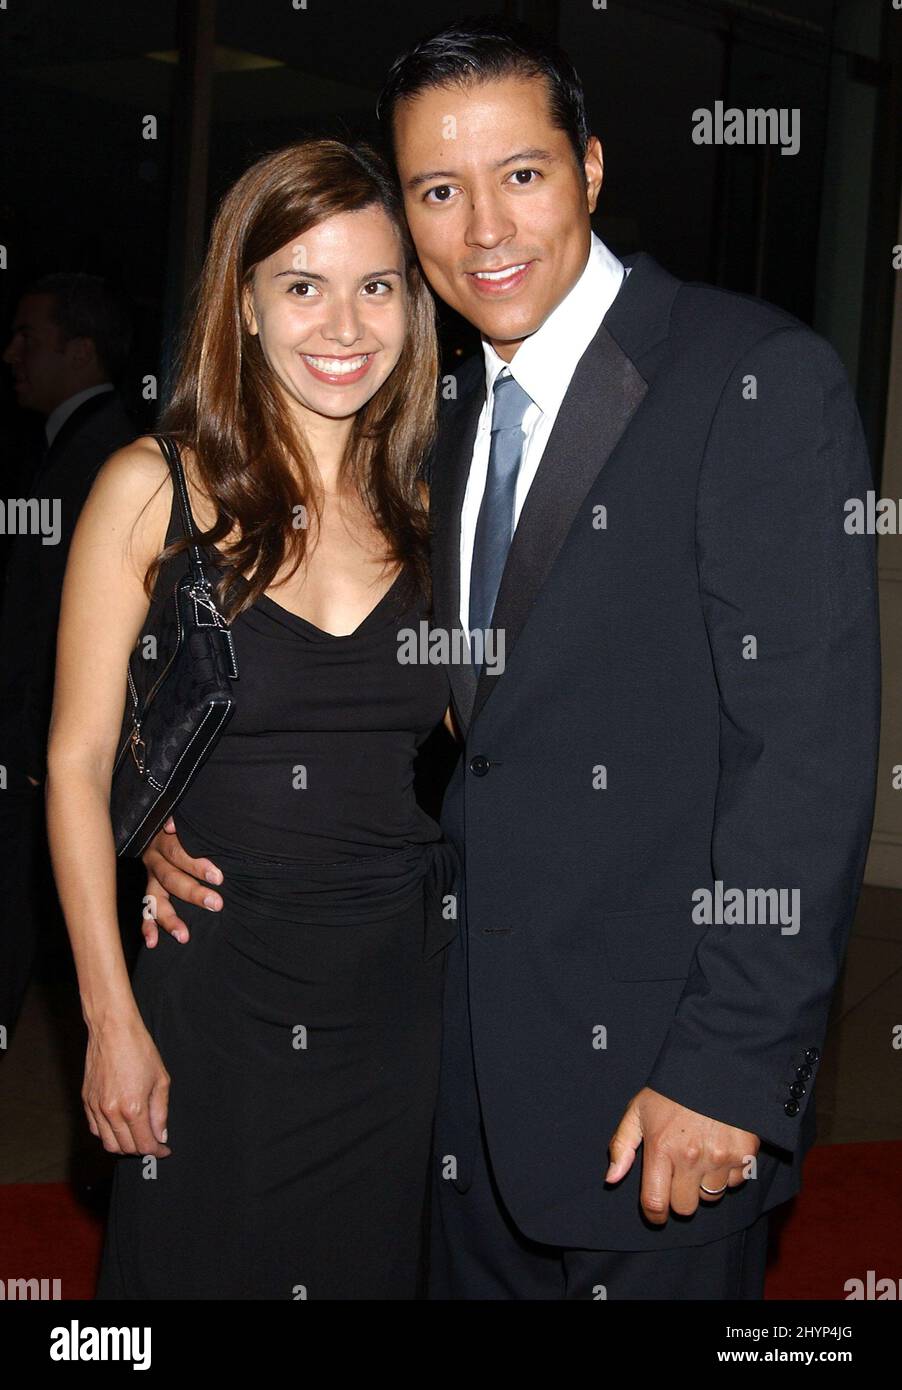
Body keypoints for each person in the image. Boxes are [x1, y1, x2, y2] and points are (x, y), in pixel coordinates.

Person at [138, 17, 881, 1300]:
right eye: (437, 188)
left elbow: (803, 763)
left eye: (520, 174)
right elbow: (421, 718)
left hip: (657, 1100)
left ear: (590, 168)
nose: (482, 228)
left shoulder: (749, 377)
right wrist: (182, 809)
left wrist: (727, 1071)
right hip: (448, 1088)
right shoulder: (433, 417)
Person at [45, 138, 458, 1299]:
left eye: (376, 285)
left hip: (403, 999)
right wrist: (108, 1016)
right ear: (245, 301)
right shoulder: (152, 488)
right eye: (302, 284)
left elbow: (498, 751)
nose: (343, 323)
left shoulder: (438, 509)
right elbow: (74, 764)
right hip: (217, 999)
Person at [0, 274, 136, 1044]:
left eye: (30, 337)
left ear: (81, 351)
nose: (11, 354)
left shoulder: (107, 459)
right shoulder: (67, 449)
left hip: (52, 767)